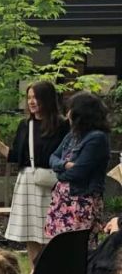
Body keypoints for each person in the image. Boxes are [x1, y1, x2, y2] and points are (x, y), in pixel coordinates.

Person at [0, 81, 69, 264]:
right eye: (29, 97)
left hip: (52, 183)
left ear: (47, 99)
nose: (31, 102)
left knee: (52, 232)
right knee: (31, 233)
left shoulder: (63, 125)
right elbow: (16, 156)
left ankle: (53, 273)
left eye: (36, 97)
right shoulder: (25, 125)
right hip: (28, 181)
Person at [45, 91, 112, 240]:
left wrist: (60, 172)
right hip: (62, 200)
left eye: (71, 109)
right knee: (58, 246)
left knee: (78, 247)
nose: (68, 114)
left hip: (81, 200)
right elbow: (52, 157)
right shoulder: (72, 135)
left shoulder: (97, 138)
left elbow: (78, 173)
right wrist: (65, 165)